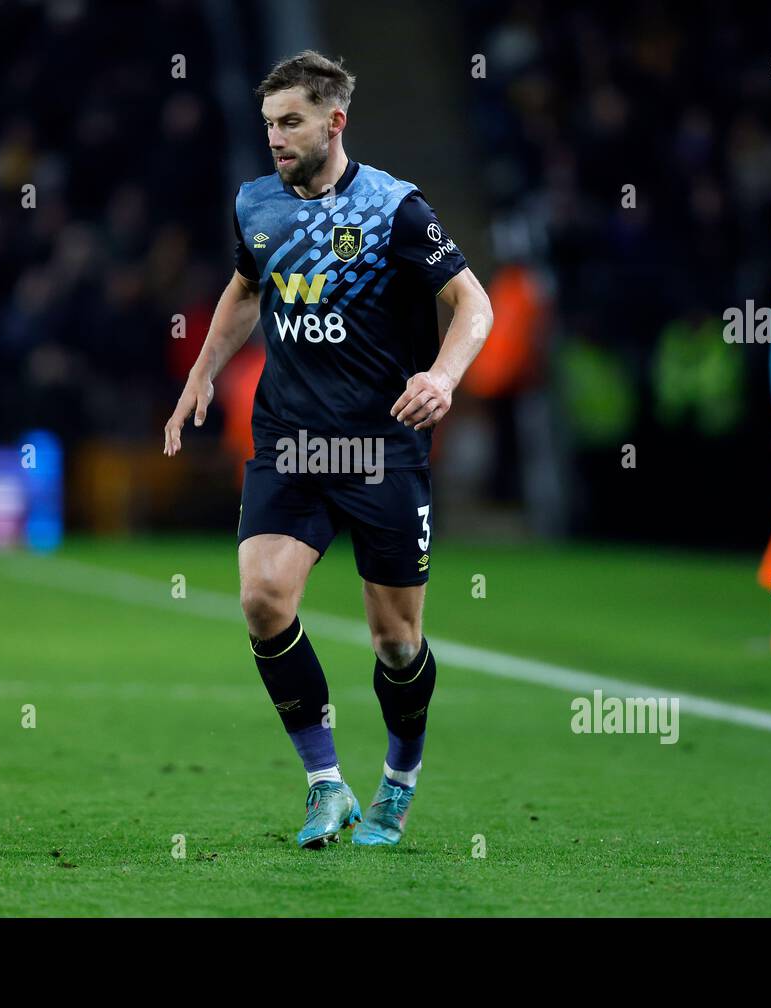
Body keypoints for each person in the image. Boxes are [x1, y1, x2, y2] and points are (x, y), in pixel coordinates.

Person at [164, 51, 493, 847]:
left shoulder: (394, 210)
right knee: (262, 598)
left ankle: (400, 779)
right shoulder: (257, 206)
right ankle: (325, 784)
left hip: (384, 446)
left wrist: (444, 377)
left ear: (333, 122)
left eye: (291, 122)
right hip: (292, 441)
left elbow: (473, 303)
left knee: (396, 641)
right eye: (269, 123)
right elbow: (248, 287)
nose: (275, 137)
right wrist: (203, 372)